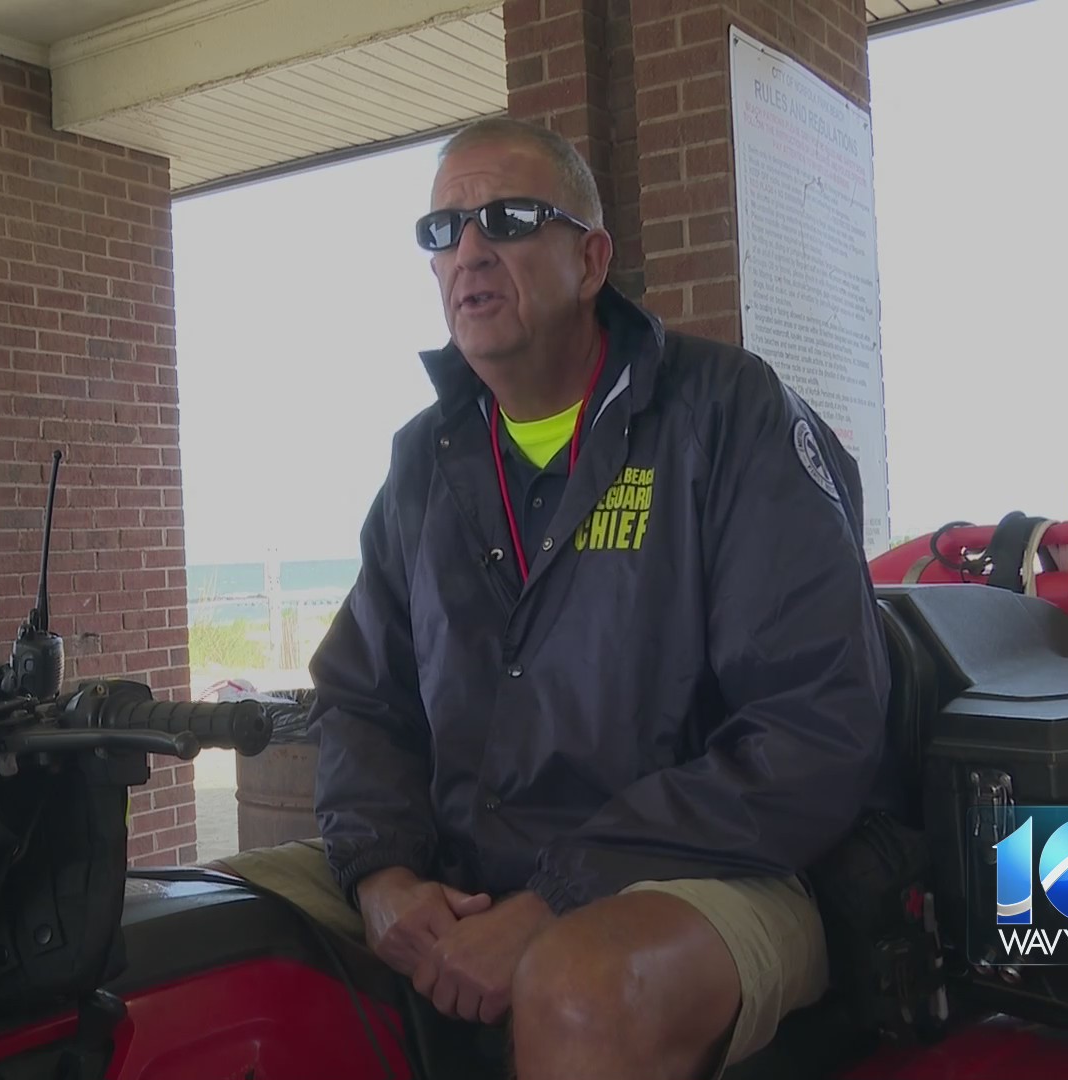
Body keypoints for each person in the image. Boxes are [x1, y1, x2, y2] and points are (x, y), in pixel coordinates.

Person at [215, 117, 891, 1080]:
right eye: (442, 230)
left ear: (591, 260)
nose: (469, 250)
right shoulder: (424, 459)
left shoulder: (726, 416)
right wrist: (383, 873)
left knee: (579, 989)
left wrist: (558, 896)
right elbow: (363, 699)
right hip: (457, 864)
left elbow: (814, 724)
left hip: (713, 869)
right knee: (183, 931)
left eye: (509, 218)